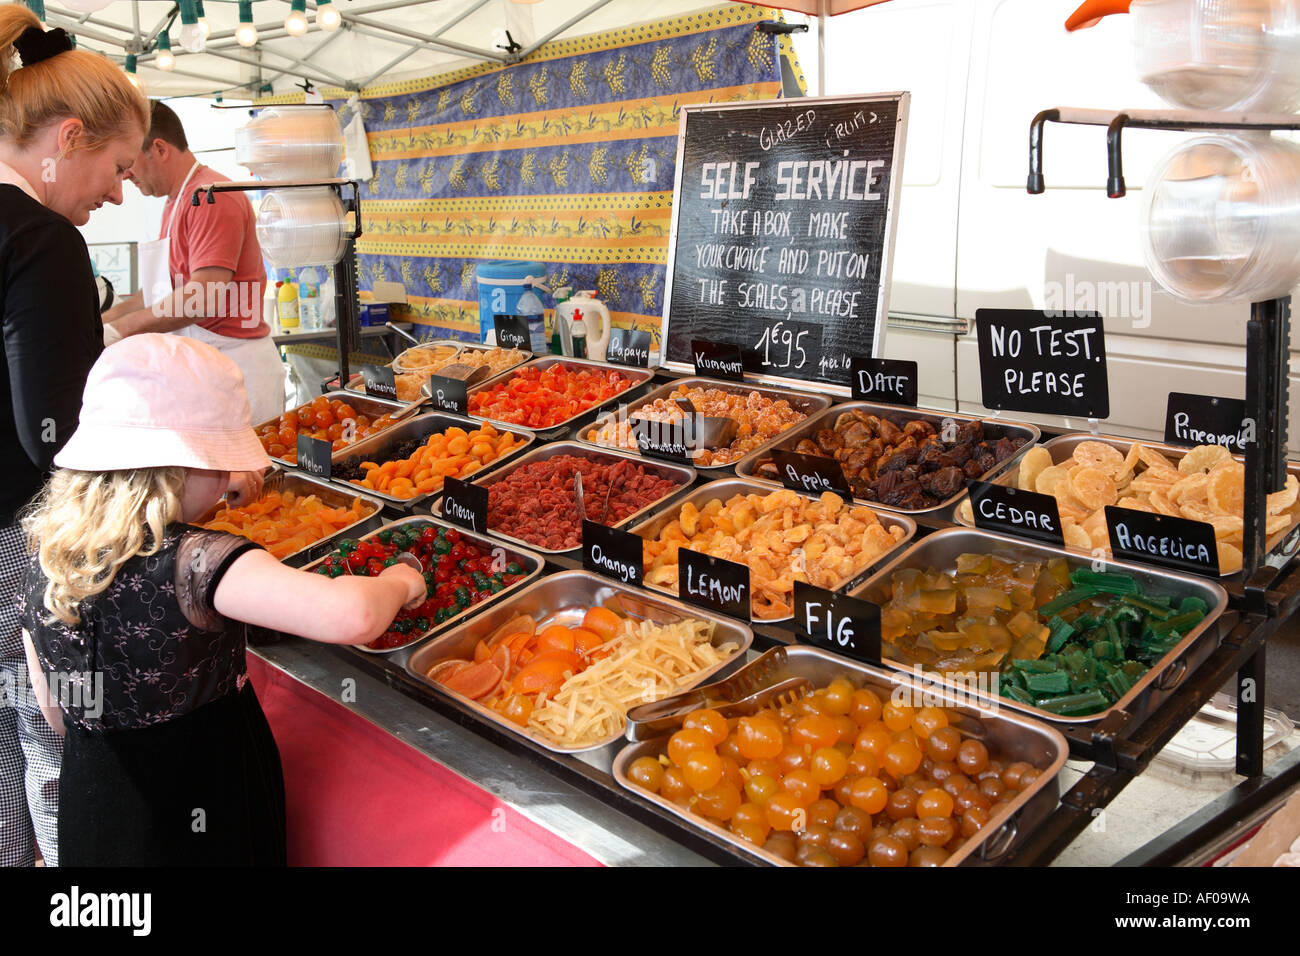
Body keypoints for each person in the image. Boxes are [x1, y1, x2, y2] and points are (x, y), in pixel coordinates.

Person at [19, 335, 428, 866]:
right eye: (219, 463)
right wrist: (398, 580)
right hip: (204, 793)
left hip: (97, 803)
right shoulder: (198, 559)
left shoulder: (51, 558)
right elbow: (350, 613)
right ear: (184, 467)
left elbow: (53, 711)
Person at [0, 4, 150, 867]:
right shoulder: (41, 237)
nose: (119, 193)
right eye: (117, 167)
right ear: (66, 137)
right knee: (54, 754)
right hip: (17, 550)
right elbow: (50, 436)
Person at [103, 100, 287, 425]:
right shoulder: (175, 201)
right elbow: (158, 292)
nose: (125, 174)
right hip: (202, 367)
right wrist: (102, 323)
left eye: (129, 161)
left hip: (236, 370)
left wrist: (119, 331)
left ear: (159, 149)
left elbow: (203, 297)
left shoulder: (211, 196)